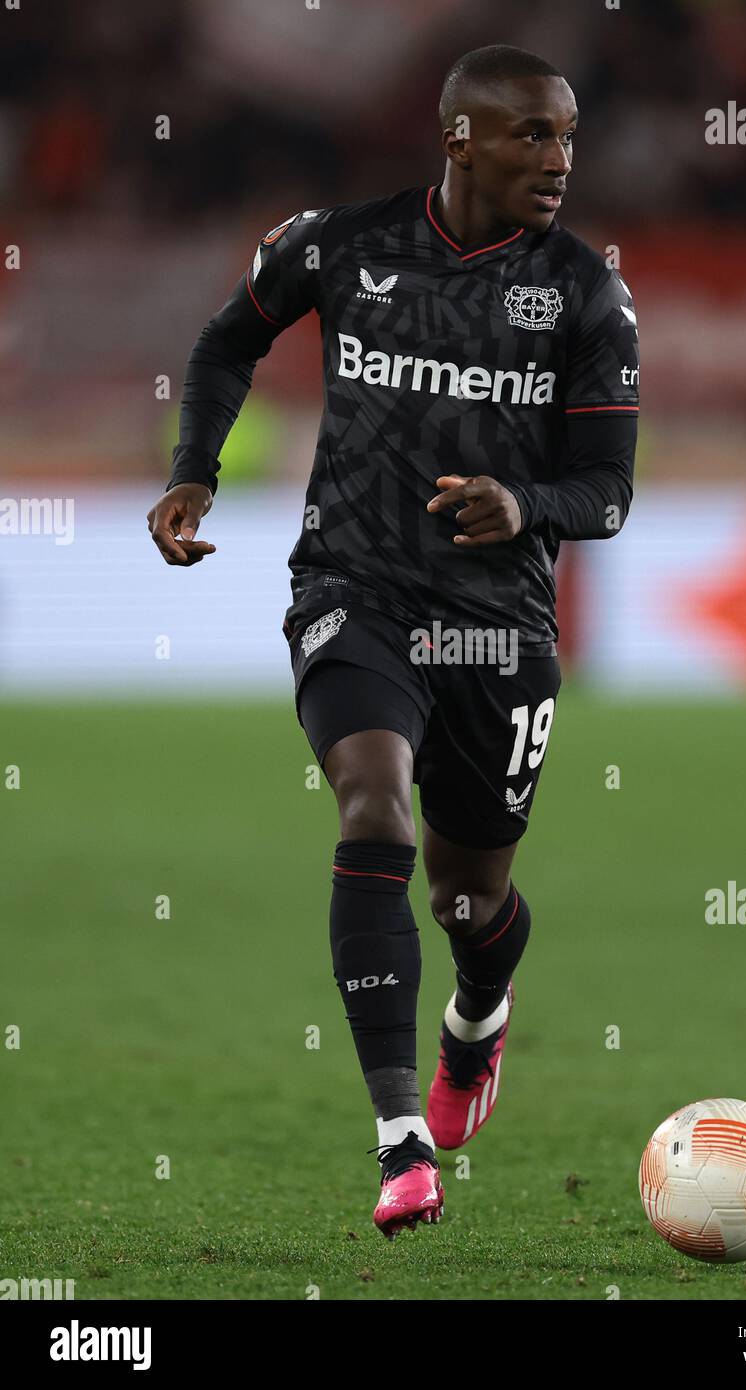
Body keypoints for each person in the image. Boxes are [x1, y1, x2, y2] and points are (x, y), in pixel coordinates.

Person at [146, 44, 638, 1239]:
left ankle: (477, 1019)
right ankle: (397, 1136)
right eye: (532, 136)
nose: (558, 161)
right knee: (373, 807)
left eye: (568, 137)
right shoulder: (337, 244)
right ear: (460, 137)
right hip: (353, 589)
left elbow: (607, 492)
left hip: (500, 624)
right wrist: (193, 474)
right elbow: (224, 344)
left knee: (469, 900)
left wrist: (525, 505)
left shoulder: (583, 294)